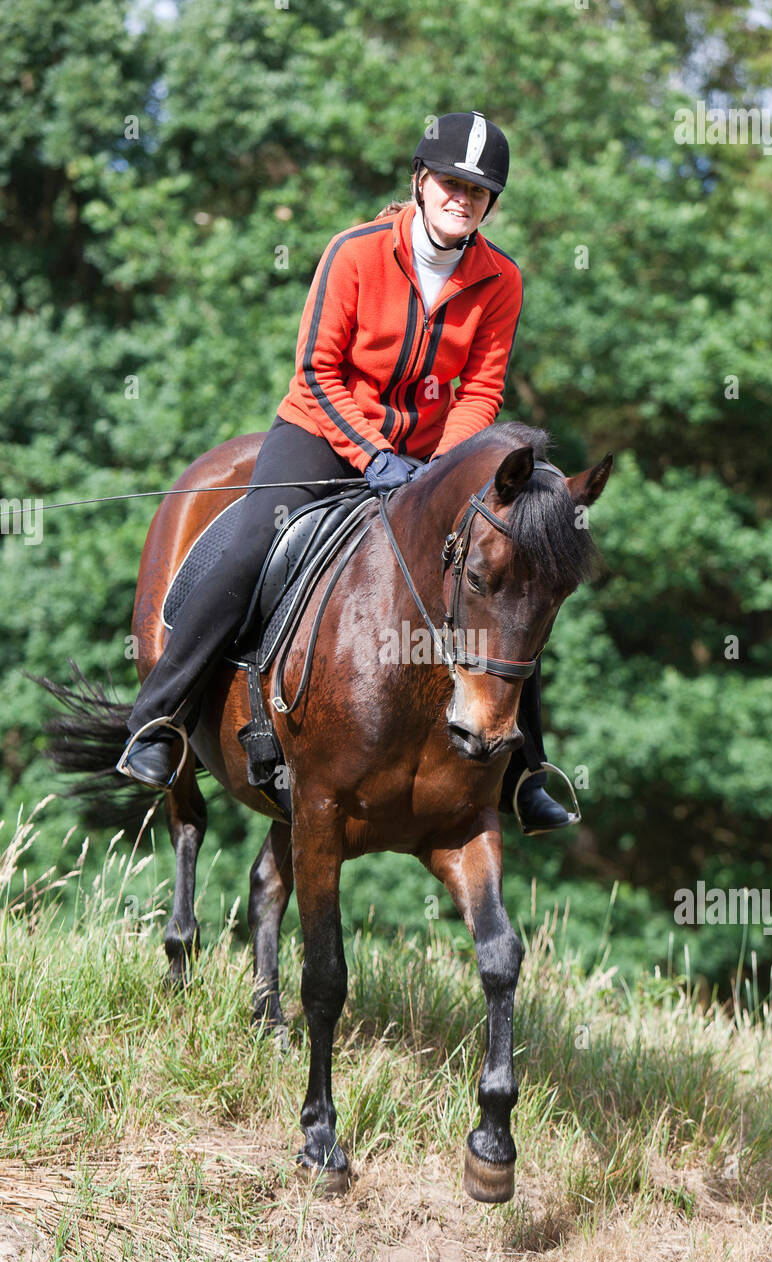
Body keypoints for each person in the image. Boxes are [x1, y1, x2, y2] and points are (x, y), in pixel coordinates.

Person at [117, 111, 574, 833]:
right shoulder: (355, 253)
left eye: (478, 192)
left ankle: (525, 771)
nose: (462, 199)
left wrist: (438, 471)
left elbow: (481, 391)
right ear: (421, 183)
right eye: (451, 183)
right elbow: (318, 371)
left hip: (426, 459)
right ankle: (159, 719)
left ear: (490, 205)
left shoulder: (501, 280)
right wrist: (372, 457)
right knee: (248, 549)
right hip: (322, 435)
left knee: (505, 577)